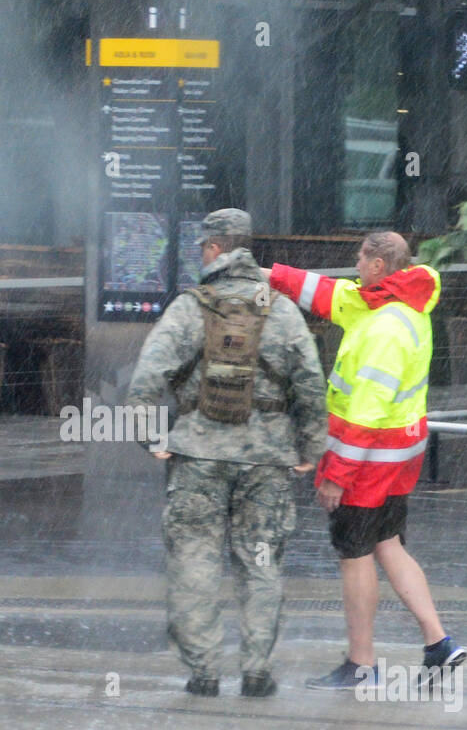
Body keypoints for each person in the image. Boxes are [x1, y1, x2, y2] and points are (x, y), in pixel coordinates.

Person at [126, 208, 327, 697]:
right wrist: (311, 446)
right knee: (261, 563)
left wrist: (149, 438)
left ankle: (204, 673)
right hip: (268, 461)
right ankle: (256, 670)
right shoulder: (279, 308)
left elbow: (147, 378)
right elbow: (312, 384)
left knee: (195, 561)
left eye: (203, 247)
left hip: (199, 457)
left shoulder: (190, 307)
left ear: (215, 248)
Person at [261, 231, 467, 690]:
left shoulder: (384, 328)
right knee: (387, 543)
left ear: (377, 264)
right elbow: (326, 293)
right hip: (400, 455)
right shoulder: (395, 304)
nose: (353, 263)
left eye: (359, 257)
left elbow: (366, 414)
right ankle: (439, 644)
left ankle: (362, 665)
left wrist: (335, 475)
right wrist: (266, 275)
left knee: (354, 554)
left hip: (369, 459)